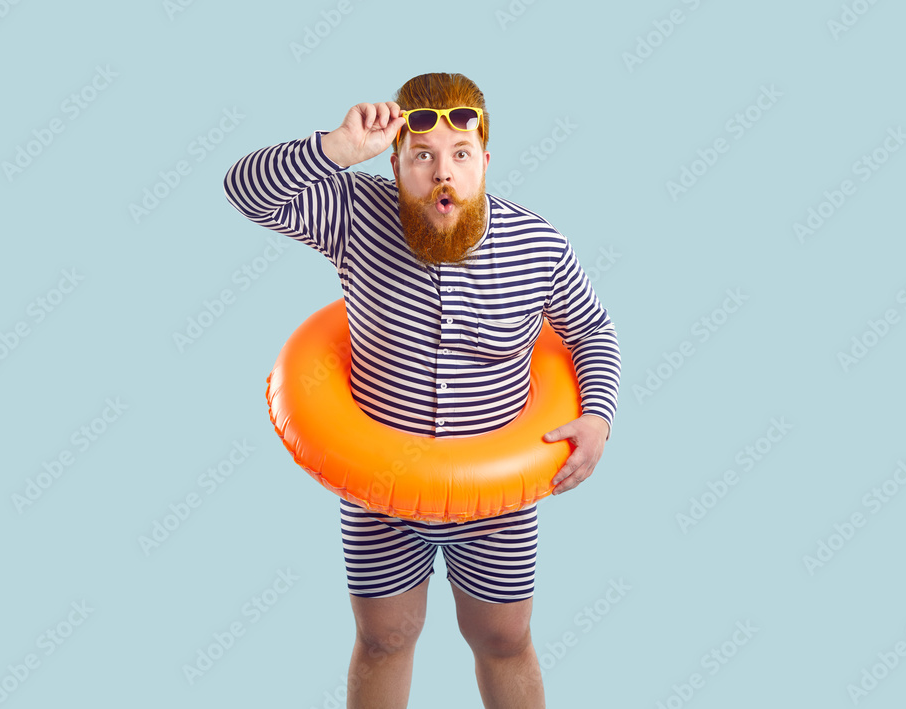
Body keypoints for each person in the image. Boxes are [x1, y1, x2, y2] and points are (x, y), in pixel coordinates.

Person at [224, 72, 620, 709]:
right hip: (380, 492)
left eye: (461, 156)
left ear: (485, 161)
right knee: (384, 638)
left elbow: (592, 331)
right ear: (396, 161)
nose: (445, 174)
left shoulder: (537, 245)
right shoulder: (354, 214)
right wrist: (332, 150)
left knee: (503, 637)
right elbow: (245, 192)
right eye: (424, 156)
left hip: (498, 499)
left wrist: (598, 415)